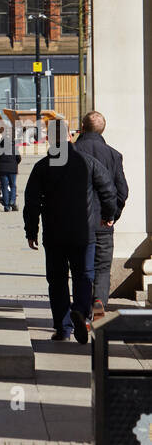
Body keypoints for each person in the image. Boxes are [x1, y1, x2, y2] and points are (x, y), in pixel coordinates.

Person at [23, 120, 117, 343]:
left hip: (54, 234)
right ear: (70, 137)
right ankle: (81, 312)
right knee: (84, 276)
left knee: (56, 280)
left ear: (49, 138)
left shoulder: (42, 167)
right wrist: (108, 215)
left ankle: (62, 328)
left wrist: (31, 230)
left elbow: (32, 202)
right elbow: (108, 191)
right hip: (84, 233)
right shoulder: (89, 163)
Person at [72, 111, 129, 319]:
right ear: (103, 130)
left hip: (78, 222)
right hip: (104, 222)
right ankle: (99, 301)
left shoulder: (71, 152)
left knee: (80, 267)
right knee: (103, 266)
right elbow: (122, 191)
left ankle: (82, 307)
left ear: (82, 127)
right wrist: (112, 215)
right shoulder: (113, 154)